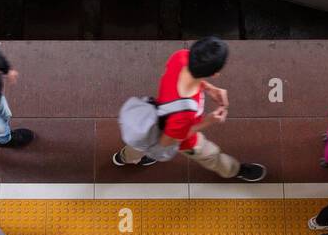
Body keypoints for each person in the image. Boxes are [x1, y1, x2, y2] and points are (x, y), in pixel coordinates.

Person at [113, 36, 266, 182]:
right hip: (183, 139)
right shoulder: (184, 112)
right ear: (215, 74)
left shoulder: (180, 57)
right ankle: (235, 170)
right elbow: (168, 141)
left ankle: (123, 157)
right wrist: (208, 121)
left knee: (140, 144)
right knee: (210, 155)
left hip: (152, 121)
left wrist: (208, 87)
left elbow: (186, 77)